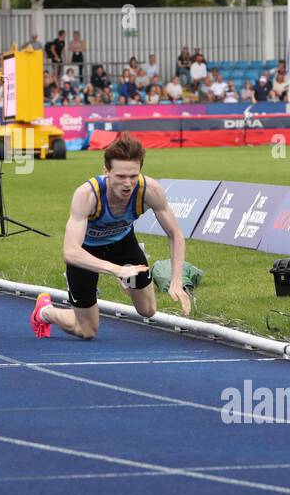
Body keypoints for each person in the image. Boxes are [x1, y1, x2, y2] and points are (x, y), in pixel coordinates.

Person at [31, 132, 192, 340]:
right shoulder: (87, 195)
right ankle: (44, 312)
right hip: (86, 253)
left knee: (148, 310)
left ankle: (127, 281)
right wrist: (117, 270)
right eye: (120, 177)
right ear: (106, 171)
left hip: (122, 245)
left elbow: (176, 235)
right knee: (87, 330)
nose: (127, 184)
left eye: (133, 176)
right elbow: (70, 252)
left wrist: (176, 281)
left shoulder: (149, 190)